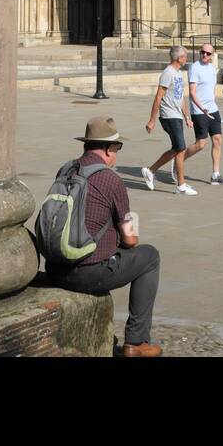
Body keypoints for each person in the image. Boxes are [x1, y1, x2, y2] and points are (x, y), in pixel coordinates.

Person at [44, 118, 162, 358]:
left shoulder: (66, 168)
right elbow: (130, 240)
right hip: (87, 272)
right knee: (150, 257)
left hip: (55, 266)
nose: (116, 155)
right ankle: (137, 343)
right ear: (109, 149)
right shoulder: (111, 179)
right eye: (117, 149)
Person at [141, 46, 196, 195]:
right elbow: (158, 97)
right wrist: (152, 120)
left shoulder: (178, 74)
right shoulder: (168, 73)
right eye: (185, 56)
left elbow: (180, 97)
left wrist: (187, 117)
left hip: (177, 115)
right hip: (168, 115)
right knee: (180, 147)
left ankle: (180, 184)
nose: (187, 58)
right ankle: (152, 171)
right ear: (179, 58)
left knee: (179, 148)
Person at [186, 44, 223, 185]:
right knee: (200, 144)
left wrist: (214, 108)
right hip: (199, 110)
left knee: (217, 140)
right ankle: (179, 160)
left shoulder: (212, 69)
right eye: (202, 52)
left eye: (207, 53)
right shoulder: (194, 67)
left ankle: (215, 175)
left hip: (213, 109)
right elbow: (192, 92)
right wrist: (202, 108)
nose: (204, 55)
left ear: (212, 55)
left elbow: (210, 91)